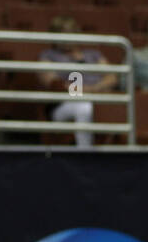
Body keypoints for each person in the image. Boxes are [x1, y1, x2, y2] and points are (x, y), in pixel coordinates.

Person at [36, 15, 116, 148]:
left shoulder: (93, 54)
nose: (67, 36)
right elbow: (55, 84)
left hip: (99, 98)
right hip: (65, 105)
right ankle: (84, 153)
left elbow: (112, 77)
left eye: (71, 32)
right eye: (62, 32)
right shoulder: (47, 56)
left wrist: (95, 89)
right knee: (84, 107)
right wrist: (92, 90)